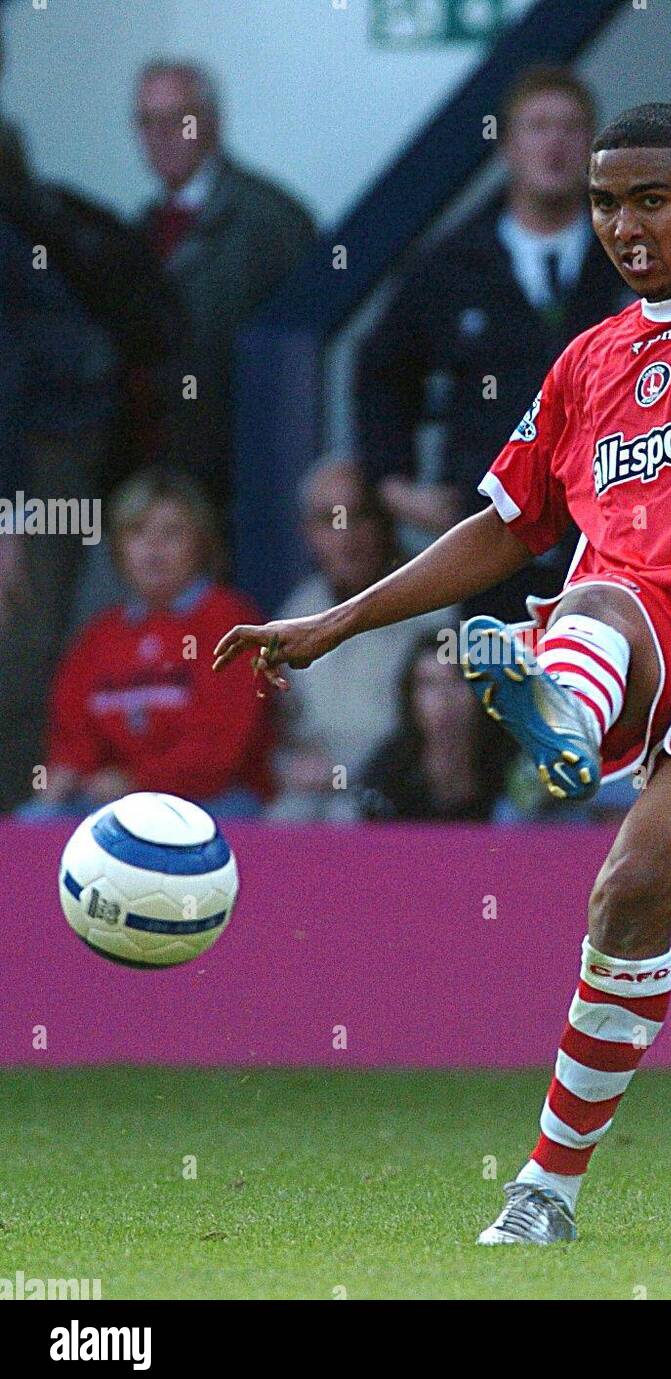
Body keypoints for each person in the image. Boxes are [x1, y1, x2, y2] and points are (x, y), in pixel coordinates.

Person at [213, 103, 671, 1244]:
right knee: (599, 618)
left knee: (633, 889)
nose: (624, 225)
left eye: (650, 199)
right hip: (635, 627)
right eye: (606, 202)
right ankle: (543, 1192)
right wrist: (339, 619)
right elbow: (502, 526)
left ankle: (563, 711)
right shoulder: (586, 362)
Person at [354, 65, 631, 621]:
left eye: (571, 128)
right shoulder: (452, 262)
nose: (554, 144)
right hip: (492, 537)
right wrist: (393, 483)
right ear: (505, 145)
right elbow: (381, 369)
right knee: (491, 692)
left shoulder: (634, 251)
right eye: (536, 127)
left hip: (620, 530)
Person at [20, 468, 272, 820]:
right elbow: (73, 737)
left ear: (202, 543)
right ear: (119, 548)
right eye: (138, 532)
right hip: (115, 805)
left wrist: (137, 781)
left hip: (213, 801)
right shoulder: (98, 636)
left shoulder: (232, 622)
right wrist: (65, 774)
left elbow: (220, 753)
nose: (153, 546)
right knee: (36, 820)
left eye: (172, 533)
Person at [134, 61, 316, 507]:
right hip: (159, 472)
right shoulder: (137, 231)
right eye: (147, 122)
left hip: (248, 475)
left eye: (178, 120)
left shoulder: (273, 222)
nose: (161, 136)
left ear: (211, 122)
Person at [270, 460, 456, 819]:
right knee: (284, 819)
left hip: (403, 792)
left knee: (349, 815)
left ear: (387, 522)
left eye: (362, 516)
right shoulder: (293, 615)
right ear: (307, 531)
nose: (347, 536)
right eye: (330, 520)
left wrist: (349, 773)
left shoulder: (433, 602)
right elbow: (281, 737)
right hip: (315, 793)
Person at [359, 630, 510, 823]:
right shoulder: (388, 772)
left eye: (457, 681)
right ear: (410, 696)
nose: (445, 698)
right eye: (429, 684)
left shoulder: (509, 762)